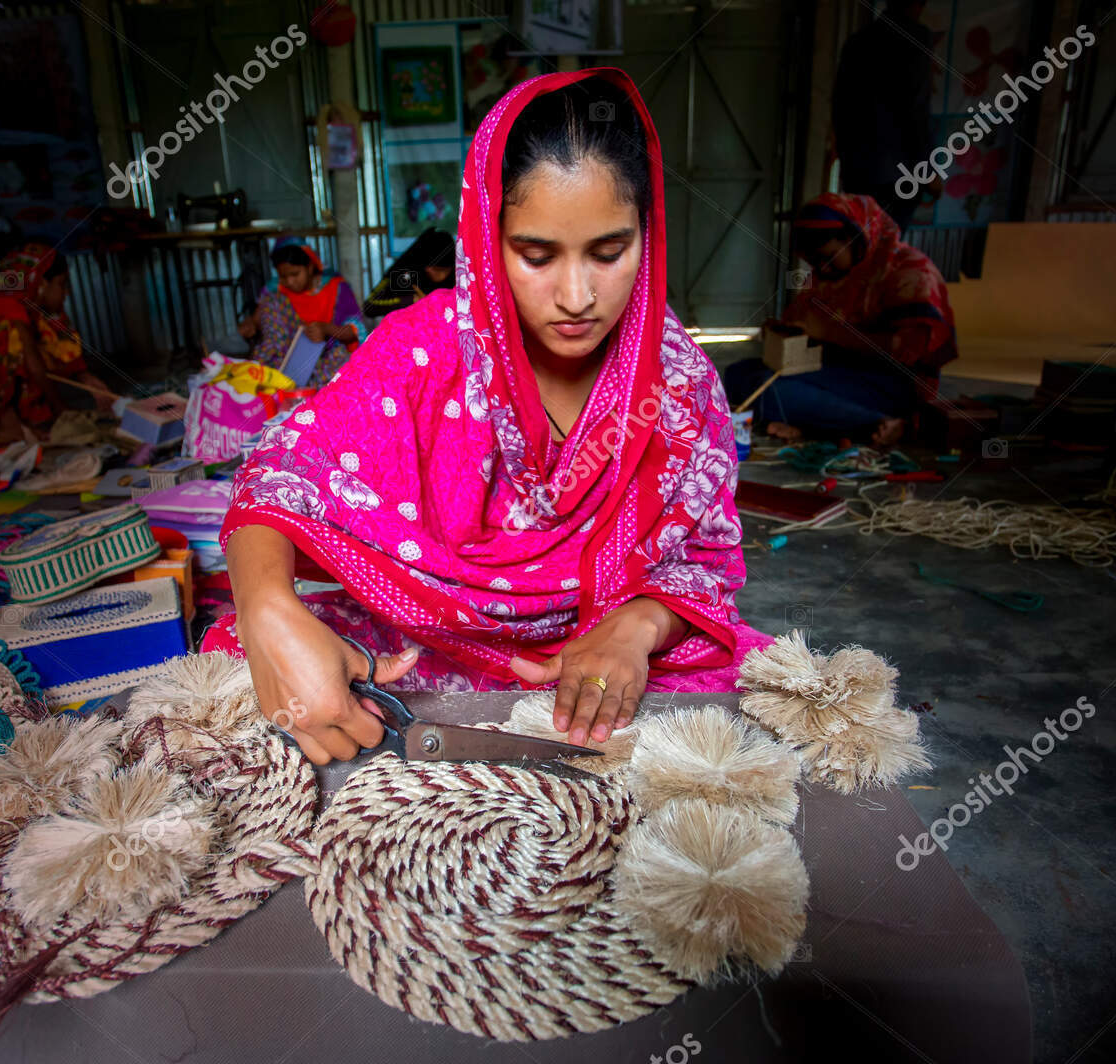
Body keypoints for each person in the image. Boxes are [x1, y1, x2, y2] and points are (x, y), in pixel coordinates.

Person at [205, 69, 771, 762]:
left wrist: (637, 629)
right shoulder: (425, 350)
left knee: (740, 702)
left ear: (647, 238)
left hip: (600, 655)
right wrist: (267, 608)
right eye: (536, 255)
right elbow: (281, 472)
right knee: (246, 663)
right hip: (427, 639)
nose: (576, 295)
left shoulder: (678, 383)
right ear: (485, 238)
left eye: (609, 251)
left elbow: (705, 563)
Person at [731, 192, 956, 448]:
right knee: (738, 373)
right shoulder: (829, 276)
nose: (823, 268)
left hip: (894, 385)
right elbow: (805, 324)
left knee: (769, 390)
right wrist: (783, 333)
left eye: (829, 256)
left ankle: (881, 425)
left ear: (854, 238)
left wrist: (830, 333)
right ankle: (819, 418)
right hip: (839, 374)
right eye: (815, 261)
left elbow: (912, 353)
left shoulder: (908, 270)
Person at [0, 244, 108, 446]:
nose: (66, 293)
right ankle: (2, 433)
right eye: (62, 284)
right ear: (40, 283)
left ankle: (14, 429)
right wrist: (61, 409)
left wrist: (85, 377)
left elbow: (52, 351)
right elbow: (35, 368)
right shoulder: (10, 309)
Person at [831, 0, 934, 231]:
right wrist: (928, 169)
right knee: (887, 246)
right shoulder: (916, 38)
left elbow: (840, 105)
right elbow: (916, 109)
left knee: (862, 241)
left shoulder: (857, 41)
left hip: (858, 169)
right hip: (899, 172)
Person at [222, 237, 367, 389]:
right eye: (283, 277)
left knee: (344, 363)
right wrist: (251, 324)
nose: (290, 282)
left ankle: (298, 390)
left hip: (324, 360)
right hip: (285, 362)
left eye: (295, 274)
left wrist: (326, 329)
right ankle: (265, 379)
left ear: (310, 267)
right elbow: (258, 318)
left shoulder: (335, 288)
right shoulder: (276, 290)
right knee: (272, 302)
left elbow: (354, 331)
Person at [363, 227, 456, 317]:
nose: (428, 270)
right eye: (426, 265)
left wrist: (433, 304)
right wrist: (411, 300)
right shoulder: (408, 270)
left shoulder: (461, 281)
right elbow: (369, 306)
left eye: (438, 269)